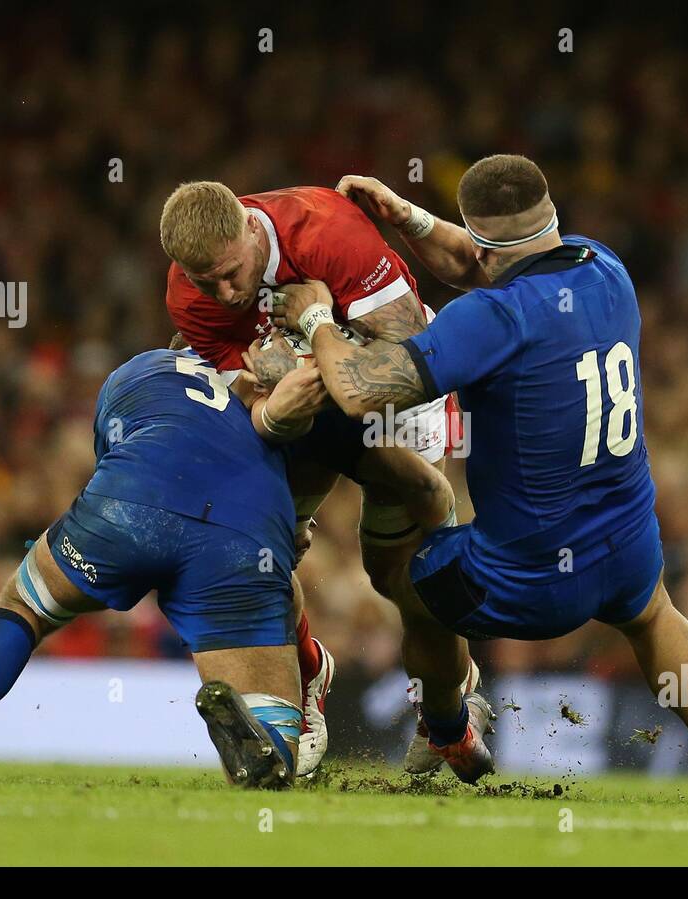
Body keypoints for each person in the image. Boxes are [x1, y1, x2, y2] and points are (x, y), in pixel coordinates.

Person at [272, 155, 688, 806]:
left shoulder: (491, 319)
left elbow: (358, 389)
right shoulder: (604, 268)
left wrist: (316, 318)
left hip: (528, 576)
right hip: (626, 542)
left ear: (484, 239)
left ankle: (449, 729)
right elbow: (483, 259)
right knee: (656, 615)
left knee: (406, 573)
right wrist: (406, 217)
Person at [0, 345, 328, 788]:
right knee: (275, 757)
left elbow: (113, 461)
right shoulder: (258, 386)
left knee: (26, 605)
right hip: (243, 532)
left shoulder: (137, 369)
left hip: (133, 505)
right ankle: (264, 740)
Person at [161, 181, 480, 775]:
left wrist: (311, 330)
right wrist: (280, 387)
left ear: (251, 232)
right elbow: (260, 404)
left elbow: (411, 355)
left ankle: (449, 701)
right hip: (312, 410)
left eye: (232, 273)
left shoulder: (326, 233)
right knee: (259, 548)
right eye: (208, 281)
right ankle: (304, 688)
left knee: (399, 576)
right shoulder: (191, 294)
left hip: (397, 407)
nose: (226, 294)